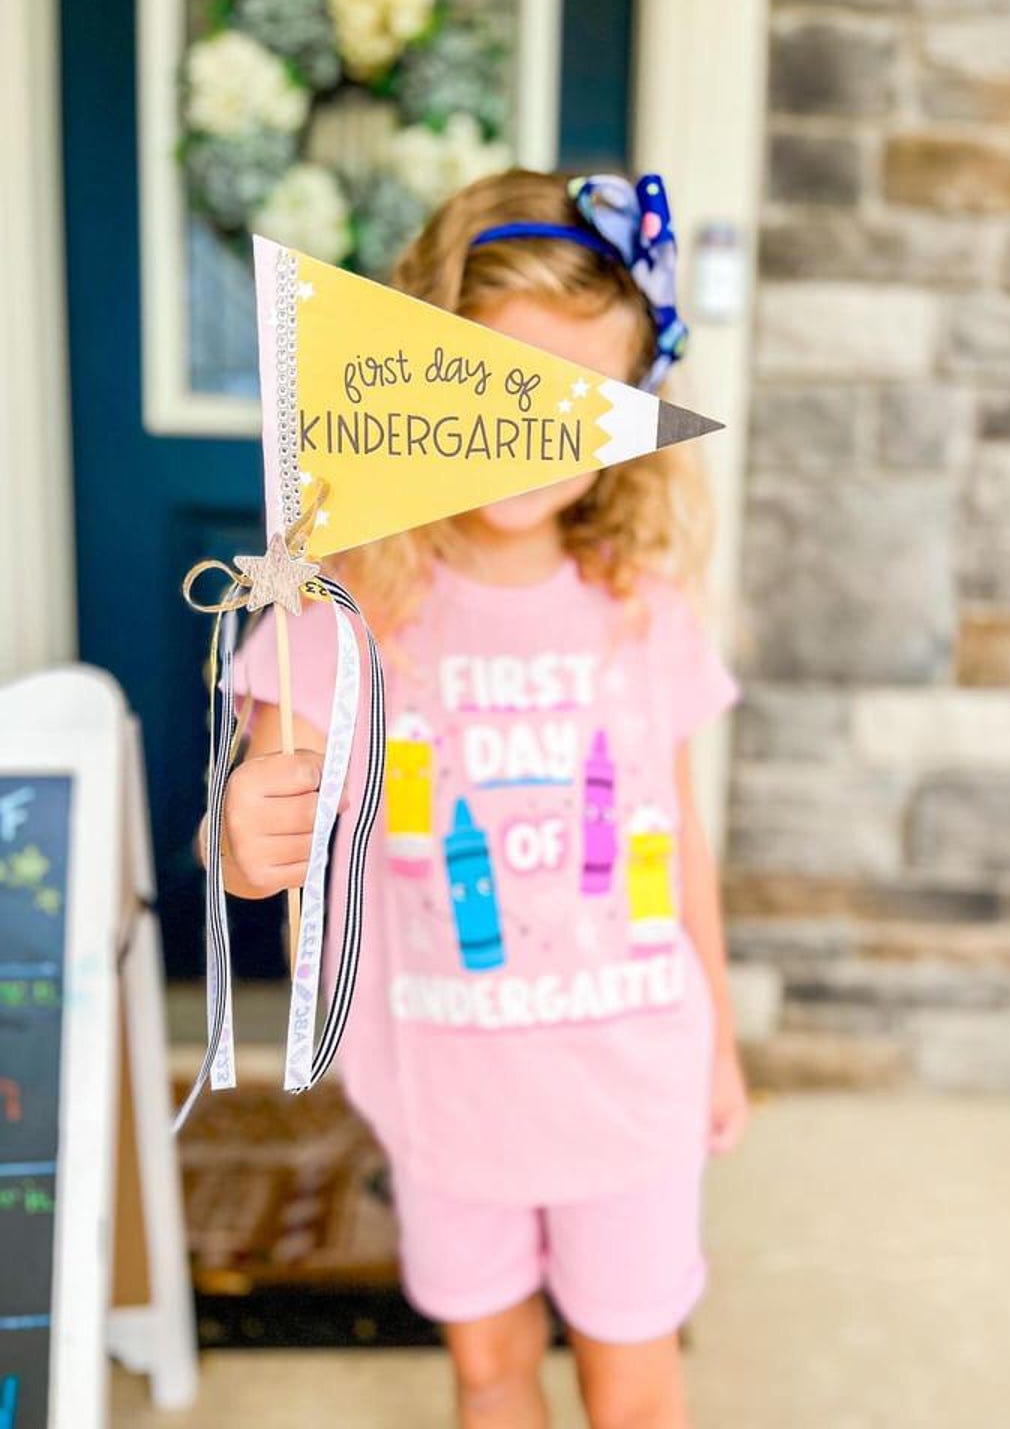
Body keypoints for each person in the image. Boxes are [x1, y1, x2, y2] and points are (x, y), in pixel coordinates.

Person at [214, 168, 748, 1429]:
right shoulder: (337, 611)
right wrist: (237, 840)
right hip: (448, 1100)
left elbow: (686, 849)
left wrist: (720, 1033)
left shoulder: (641, 608)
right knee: (491, 1371)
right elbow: (257, 847)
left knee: (635, 1384)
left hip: (634, 1089)